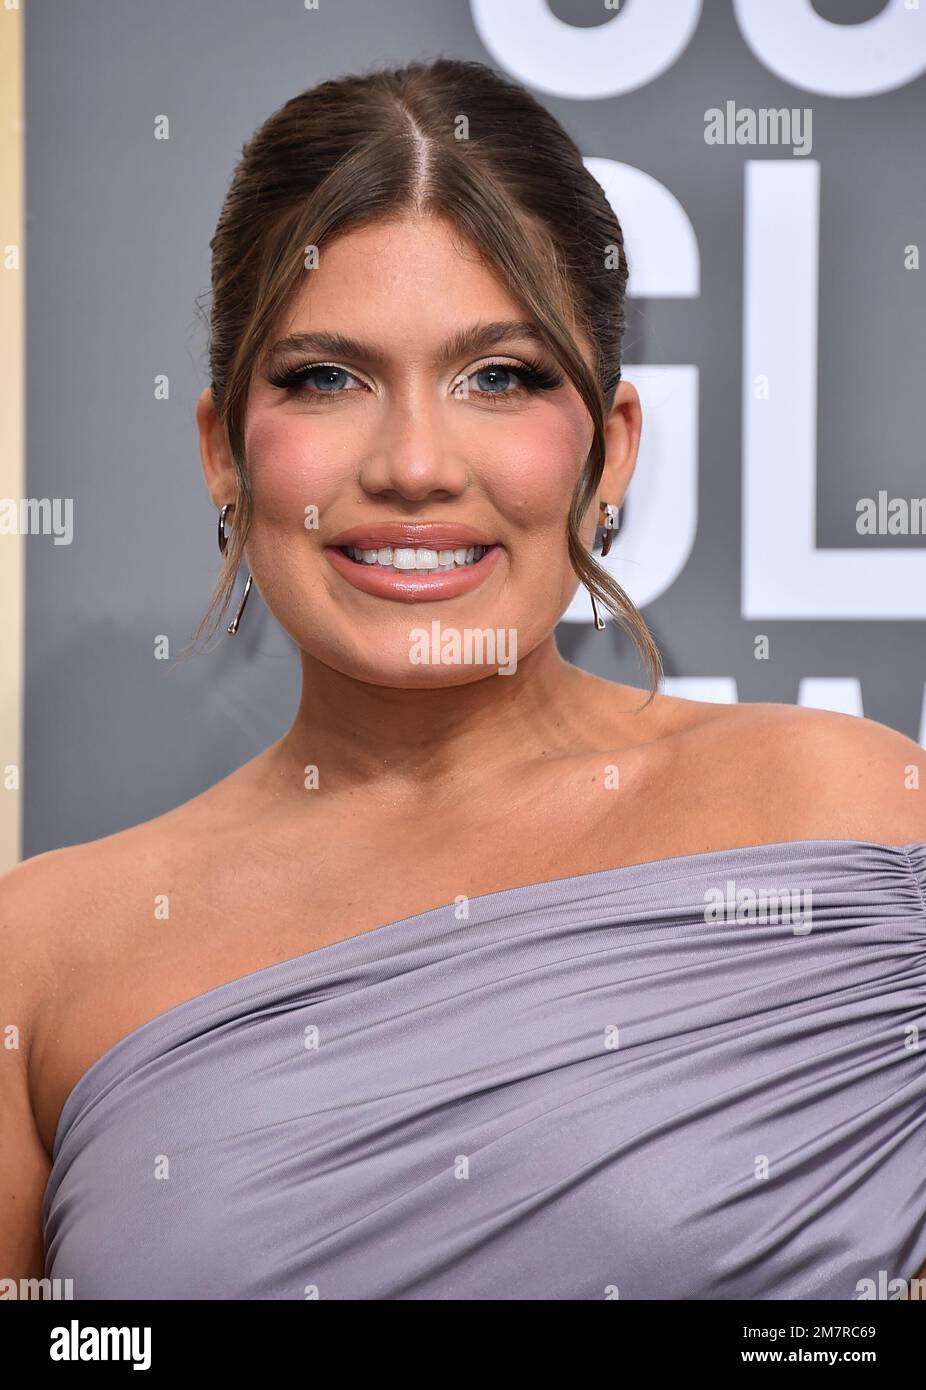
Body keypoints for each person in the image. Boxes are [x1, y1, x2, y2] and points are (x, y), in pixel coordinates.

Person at [2, 58, 924, 1300]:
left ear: (609, 450)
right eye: (326, 377)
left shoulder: (866, 826)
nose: (416, 465)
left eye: (501, 376)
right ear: (224, 451)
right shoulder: (43, 954)